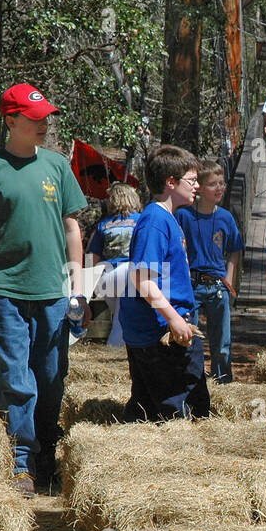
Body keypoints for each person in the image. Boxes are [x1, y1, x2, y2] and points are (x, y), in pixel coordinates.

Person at [0, 83, 89, 496]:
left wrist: (79, 287)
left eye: (46, 117)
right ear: (10, 120)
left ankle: (48, 453)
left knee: (51, 377)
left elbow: (73, 227)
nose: (44, 124)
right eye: (35, 118)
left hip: (53, 293)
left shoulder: (57, 166)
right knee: (15, 378)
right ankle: (22, 463)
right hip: (4, 291)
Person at [121, 145, 209, 420]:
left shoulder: (166, 218)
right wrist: (174, 319)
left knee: (148, 410)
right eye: (192, 181)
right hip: (160, 335)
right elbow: (142, 280)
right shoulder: (154, 222)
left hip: (165, 329)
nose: (197, 186)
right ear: (171, 183)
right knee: (182, 410)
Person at [177, 160, 244, 384]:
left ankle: (222, 385)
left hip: (217, 286)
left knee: (222, 343)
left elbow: (235, 250)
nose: (219, 188)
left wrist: (229, 278)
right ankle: (190, 382)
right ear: (200, 188)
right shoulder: (184, 216)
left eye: (221, 183)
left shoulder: (225, 217)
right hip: (192, 285)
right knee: (189, 337)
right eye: (212, 184)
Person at [85, 181, 141, 347]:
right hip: (130, 274)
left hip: (107, 277)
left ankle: (117, 348)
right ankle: (117, 350)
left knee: (119, 315)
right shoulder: (141, 220)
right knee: (123, 318)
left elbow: (92, 257)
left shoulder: (103, 224)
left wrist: (88, 287)